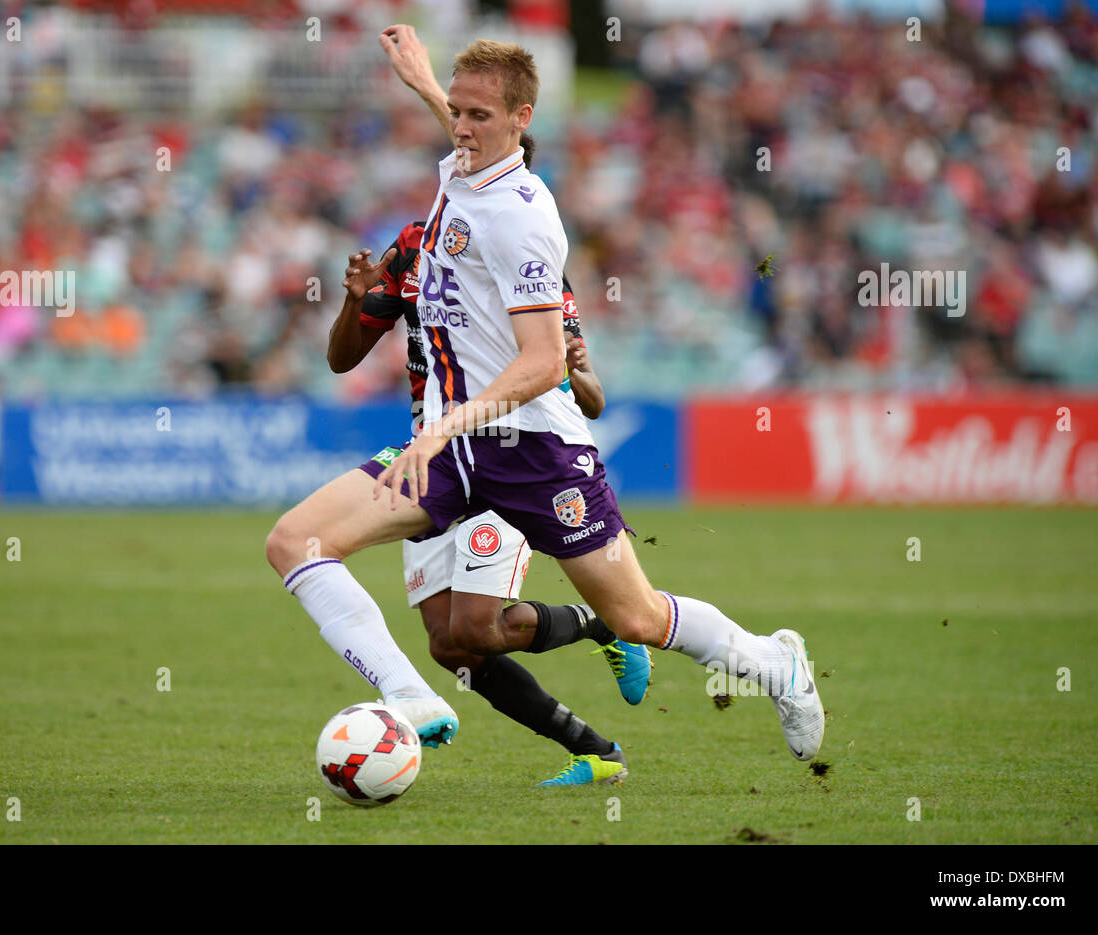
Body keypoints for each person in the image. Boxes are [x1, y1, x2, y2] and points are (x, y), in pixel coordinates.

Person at [268, 33, 824, 765]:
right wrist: (425, 83)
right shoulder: (464, 168)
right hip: (454, 445)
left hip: (534, 445)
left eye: (479, 116)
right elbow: (468, 127)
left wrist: (446, 426)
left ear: (522, 119)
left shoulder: (524, 218)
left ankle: (772, 662)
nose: (461, 128)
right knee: (297, 541)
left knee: (637, 613)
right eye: (456, 113)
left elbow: (542, 363)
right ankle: (409, 697)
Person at [330, 139, 648, 786]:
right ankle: (597, 750)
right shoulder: (415, 247)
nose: (467, 166)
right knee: (451, 645)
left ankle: (607, 622)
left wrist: (574, 372)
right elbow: (342, 359)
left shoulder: (528, 247)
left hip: (504, 450)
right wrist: (352, 301)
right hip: (432, 456)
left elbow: (588, 392)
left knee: (477, 625)